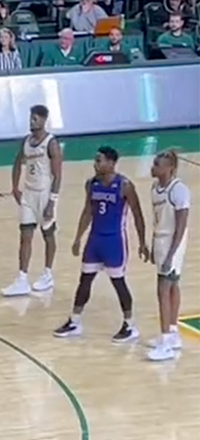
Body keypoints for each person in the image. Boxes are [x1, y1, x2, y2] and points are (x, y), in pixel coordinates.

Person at [54, 146, 148, 342]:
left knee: (118, 282)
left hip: (114, 241)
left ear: (111, 163)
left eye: (99, 160)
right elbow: (87, 211)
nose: (95, 164)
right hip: (94, 240)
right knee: (85, 280)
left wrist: (142, 242)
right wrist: (78, 238)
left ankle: (130, 325)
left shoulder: (125, 185)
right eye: (95, 160)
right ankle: (75, 321)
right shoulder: (91, 184)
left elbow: (138, 215)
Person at [2, 105, 62, 297]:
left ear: (44, 120)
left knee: (48, 234)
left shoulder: (51, 143)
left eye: (35, 119)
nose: (31, 121)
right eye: (30, 118)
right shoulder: (26, 142)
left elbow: (58, 175)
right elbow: (17, 163)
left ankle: (48, 273)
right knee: (25, 235)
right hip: (28, 193)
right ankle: (22, 278)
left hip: (44, 194)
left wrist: (52, 202)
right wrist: (15, 187)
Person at [146, 150, 189, 362]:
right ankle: (172, 333)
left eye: (157, 164)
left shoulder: (178, 190)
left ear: (169, 167)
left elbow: (181, 225)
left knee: (163, 288)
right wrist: (154, 246)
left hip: (174, 240)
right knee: (172, 286)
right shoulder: (155, 188)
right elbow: (157, 220)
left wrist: (172, 252)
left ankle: (165, 343)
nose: (153, 167)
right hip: (161, 240)